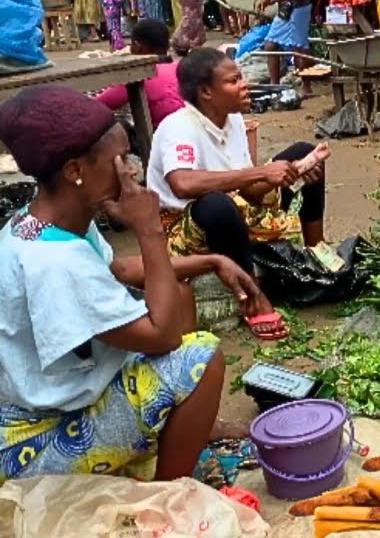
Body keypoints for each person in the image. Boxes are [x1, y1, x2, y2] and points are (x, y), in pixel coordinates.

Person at [0, 86, 263, 481]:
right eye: (118, 160)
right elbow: (163, 336)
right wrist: (148, 228)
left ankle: (194, 429)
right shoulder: (53, 261)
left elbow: (117, 270)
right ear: (75, 171)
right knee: (202, 358)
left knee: (177, 292)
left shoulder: (41, 221)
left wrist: (213, 259)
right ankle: (169, 492)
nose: (129, 171)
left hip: (55, 396)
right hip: (38, 439)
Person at [146, 49, 331, 340]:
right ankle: (252, 297)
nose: (244, 85)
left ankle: (317, 252)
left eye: (241, 78)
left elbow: (251, 193)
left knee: (303, 152)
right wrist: (259, 173)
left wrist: (292, 172)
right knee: (215, 203)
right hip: (184, 225)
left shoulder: (232, 121)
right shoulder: (178, 128)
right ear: (206, 91)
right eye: (233, 81)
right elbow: (182, 184)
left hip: (235, 208)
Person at [95, 20, 185, 127]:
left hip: (164, 137)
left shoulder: (138, 76)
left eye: (132, 45)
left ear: (138, 47)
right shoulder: (181, 67)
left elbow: (97, 105)